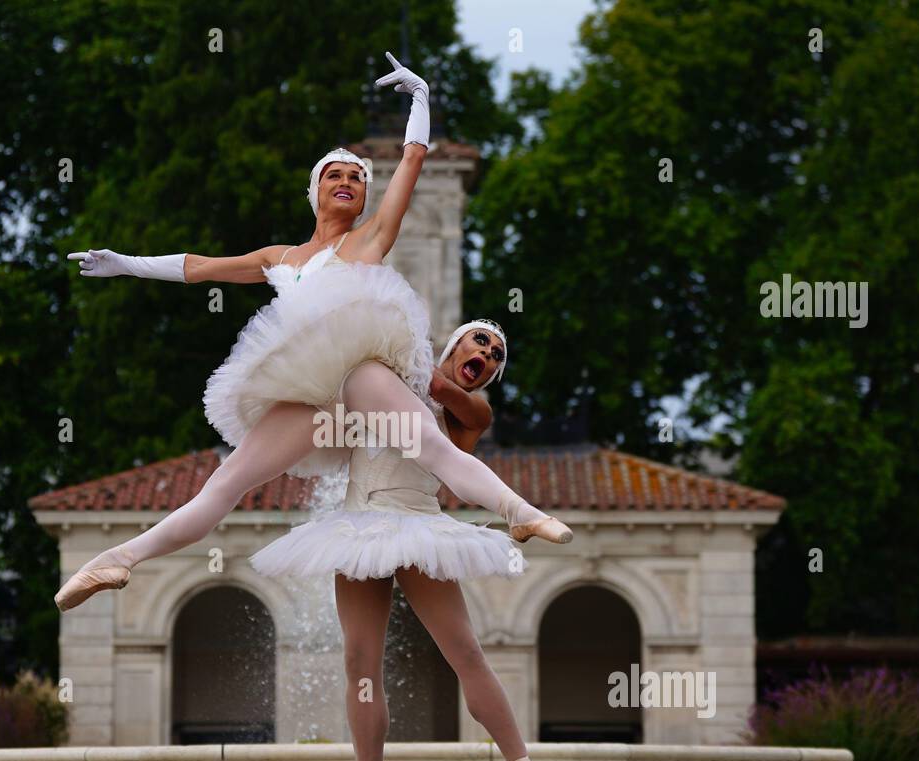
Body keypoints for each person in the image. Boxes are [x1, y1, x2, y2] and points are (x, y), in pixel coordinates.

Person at [54, 51, 570, 614]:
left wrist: (420, 100)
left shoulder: (371, 239)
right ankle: (117, 559)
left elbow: (412, 163)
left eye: (357, 177)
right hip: (312, 399)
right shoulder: (282, 258)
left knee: (428, 443)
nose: (347, 181)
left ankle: (520, 513)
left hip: (362, 374)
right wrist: (126, 262)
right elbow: (200, 267)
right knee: (222, 488)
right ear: (316, 191)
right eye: (336, 174)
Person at [251, 321, 582, 761]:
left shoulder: (469, 413)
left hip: (417, 527)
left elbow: (450, 395)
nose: (488, 355)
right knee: (360, 663)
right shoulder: (387, 381)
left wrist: (413, 367)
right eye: (481, 343)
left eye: (496, 355)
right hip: (359, 525)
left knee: (466, 652)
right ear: (455, 345)